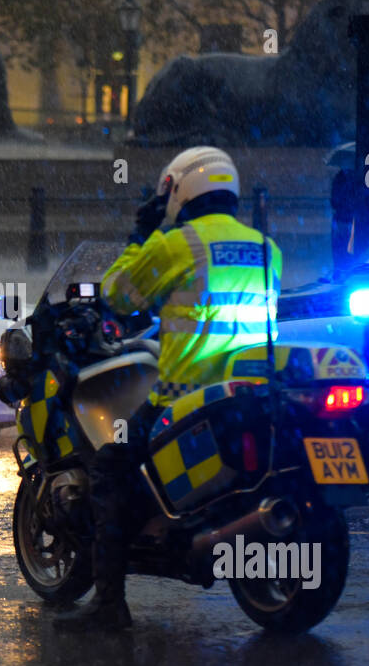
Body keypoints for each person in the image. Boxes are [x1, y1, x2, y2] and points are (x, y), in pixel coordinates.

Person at [54, 146, 282, 632]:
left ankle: (109, 606)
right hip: (250, 396)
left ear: (178, 192)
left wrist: (144, 234)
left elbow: (118, 294)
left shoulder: (178, 244)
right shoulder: (267, 249)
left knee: (111, 468)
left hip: (185, 400)